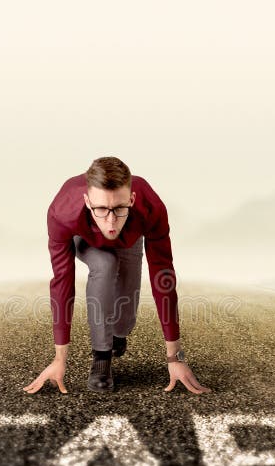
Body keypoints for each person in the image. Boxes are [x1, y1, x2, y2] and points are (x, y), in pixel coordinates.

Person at [23, 156, 211, 395]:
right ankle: (102, 358)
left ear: (131, 199)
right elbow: (62, 282)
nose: (110, 221)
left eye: (119, 208)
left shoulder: (150, 207)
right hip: (86, 237)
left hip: (129, 237)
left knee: (124, 322)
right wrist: (60, 359)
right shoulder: (62, 212)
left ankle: (118, 335)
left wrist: (175, 357)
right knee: (106, 264)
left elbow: (163, 277)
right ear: (87, 201)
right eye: (101, 208)